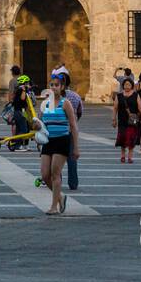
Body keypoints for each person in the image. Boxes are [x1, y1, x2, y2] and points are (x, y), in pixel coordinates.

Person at [38, 74, 80, 215]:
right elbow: (42, 122)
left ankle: (53, 207)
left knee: (56, 174)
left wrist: (76, 147)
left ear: (62, 87)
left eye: (56, 85)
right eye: (52, 85)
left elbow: (73, 125)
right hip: (48, 141)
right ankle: (60, 197)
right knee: (45, 175)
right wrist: (36, 125)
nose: (54, 87)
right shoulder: (46, 103)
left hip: (62, 140)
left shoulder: (65, 103)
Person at [60, 71, 84, 191]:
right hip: (71, 130)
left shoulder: (53, 96)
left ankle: (56, 180)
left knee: (56, 157)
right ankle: (73, 183)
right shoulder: (75, 96)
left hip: (57, 131)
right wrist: (74, 121)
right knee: (72, 158)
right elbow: (80, 112)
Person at [114, 78, 141, 164]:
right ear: (123, 85)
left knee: (131, 139)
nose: (127, 86)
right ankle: (122, 156)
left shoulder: (136, 95)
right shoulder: (119, 96)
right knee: (122, 138)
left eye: (129, 84)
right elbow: (115, 108)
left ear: (132, 85)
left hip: (132, 120)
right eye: (125, 84)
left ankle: (130, 156)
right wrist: (114, 119)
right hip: (122, 120)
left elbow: (139, 106)